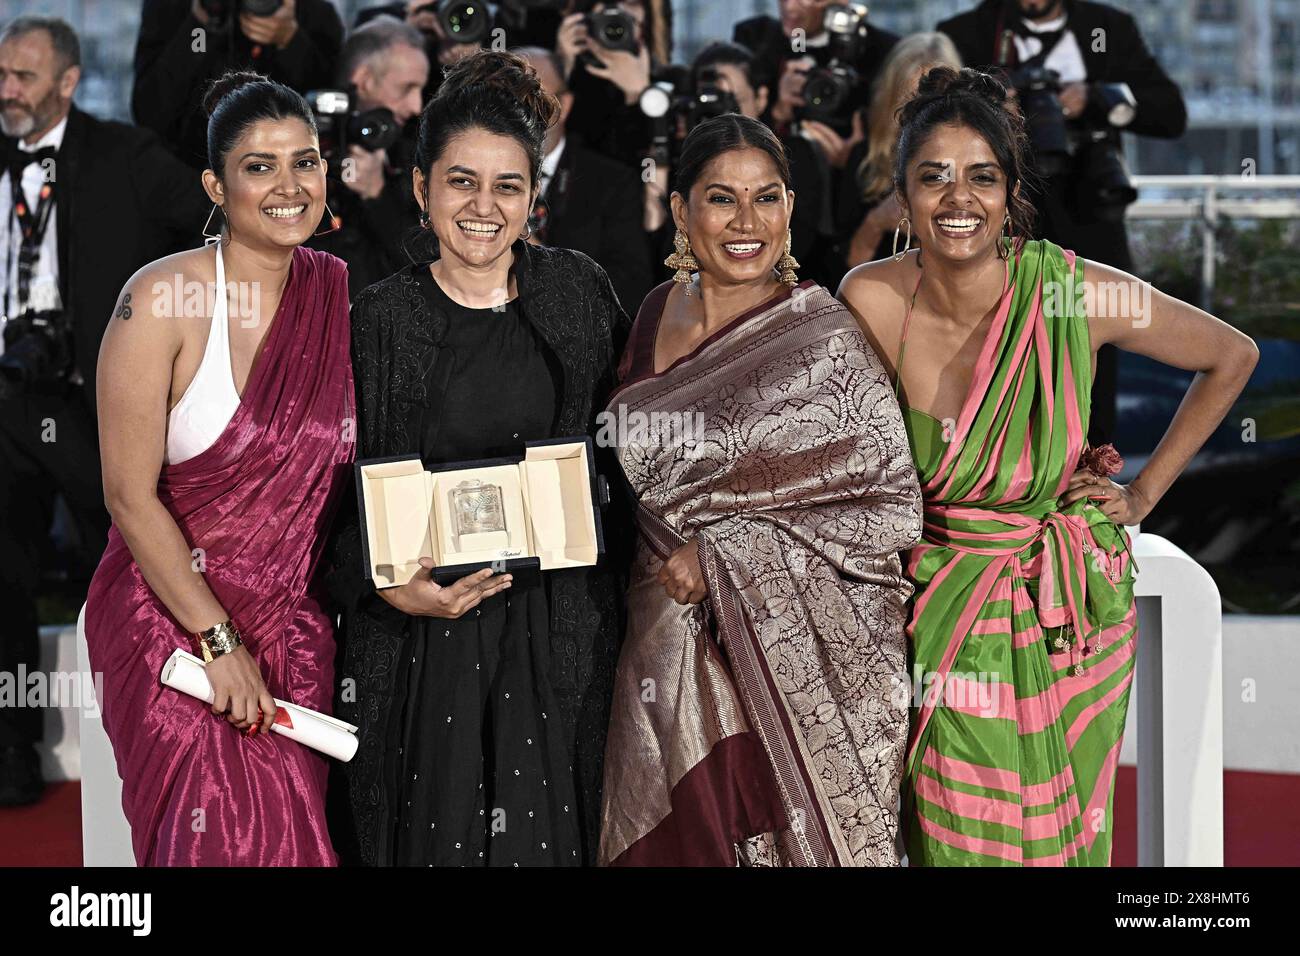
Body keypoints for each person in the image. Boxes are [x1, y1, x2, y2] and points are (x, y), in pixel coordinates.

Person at [837, 67, 1258, 865]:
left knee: (1053, 840)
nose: (958, 199)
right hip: (931, 615)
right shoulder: (873, 298)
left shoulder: (1071, 293)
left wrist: (1140, 495)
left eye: (982, 178)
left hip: (1062, 618)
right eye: (933, 177)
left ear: (1011, 189)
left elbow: (1230, 355)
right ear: (902, 194)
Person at [327, 49, 630, 867]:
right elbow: (329, 499)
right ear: (421, 187)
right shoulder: (378, 319)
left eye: (508, 186)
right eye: (462, 182)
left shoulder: (578, 293)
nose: (484, 207)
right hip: (426, 644)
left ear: (535, 197)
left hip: (559, 627)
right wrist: (388, 584)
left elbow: (626, 460)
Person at [598, 114, 923, 866]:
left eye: (767, 198)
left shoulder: (824, 339)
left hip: (799, 659)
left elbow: (887, 507)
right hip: (662, 654)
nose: (748, 223)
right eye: (721, 200)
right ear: (681, 212)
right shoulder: (650, 314)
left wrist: (724, 553)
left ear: (790, 207)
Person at [83, 72, 354, 865]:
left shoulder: (338, 294)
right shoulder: (158, 298)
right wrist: (219, 639)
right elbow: (128, 498)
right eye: (259, 166)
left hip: (292, 632)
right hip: (170, 624)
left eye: (305, 162)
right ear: (215, 183)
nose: (289, 186)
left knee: (294, 842)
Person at [0, 15, 208, 807]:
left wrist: (173, 349)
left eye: (23, 75)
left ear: (68, 81)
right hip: (6, 401)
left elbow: (214, 222)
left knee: (125, 572)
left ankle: (154, 739)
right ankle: (12, 754)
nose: (7, 90)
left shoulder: (125, 157)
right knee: (3, 580)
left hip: (98, 407)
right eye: (1, 74)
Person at [937, 0, 1188, 446]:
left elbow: (1170, 114)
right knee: (994, 345)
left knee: (1096, 342)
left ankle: (1090, 468)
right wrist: (994, 106)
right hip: (1003, 218)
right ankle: (997, 471)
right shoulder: (969, 31)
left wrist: (1096, 99)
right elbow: (933, 117)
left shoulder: (1108, 28)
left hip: (1092, 208)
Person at [515, 46, 653, 317]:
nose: (518, 111)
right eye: (504, 99)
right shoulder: (467, 180)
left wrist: (540, 259)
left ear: (564, 105)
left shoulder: (612, 182)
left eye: (533, 97)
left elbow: (633, 290)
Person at [133, 0, 344, 169]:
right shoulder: (172, 8)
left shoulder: (314, 13)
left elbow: (333, 108)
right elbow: (150, 113)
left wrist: (290, 41)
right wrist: (200, 27)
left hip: (283, 175)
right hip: (187, 183)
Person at [310, 15, 428, 298]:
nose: (416, 106)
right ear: (363, 79)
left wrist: (378, 194)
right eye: (407, 88)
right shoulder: (300, 141)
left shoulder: (416, 153)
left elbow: (427, 263)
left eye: (421, 90)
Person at [844, 32, 962, 266]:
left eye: (933, 99)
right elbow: (840, 278)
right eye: (911, 99)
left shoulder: (976, 165)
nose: (922, 112)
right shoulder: (864, 159)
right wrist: (876, 222)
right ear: (890, 99)